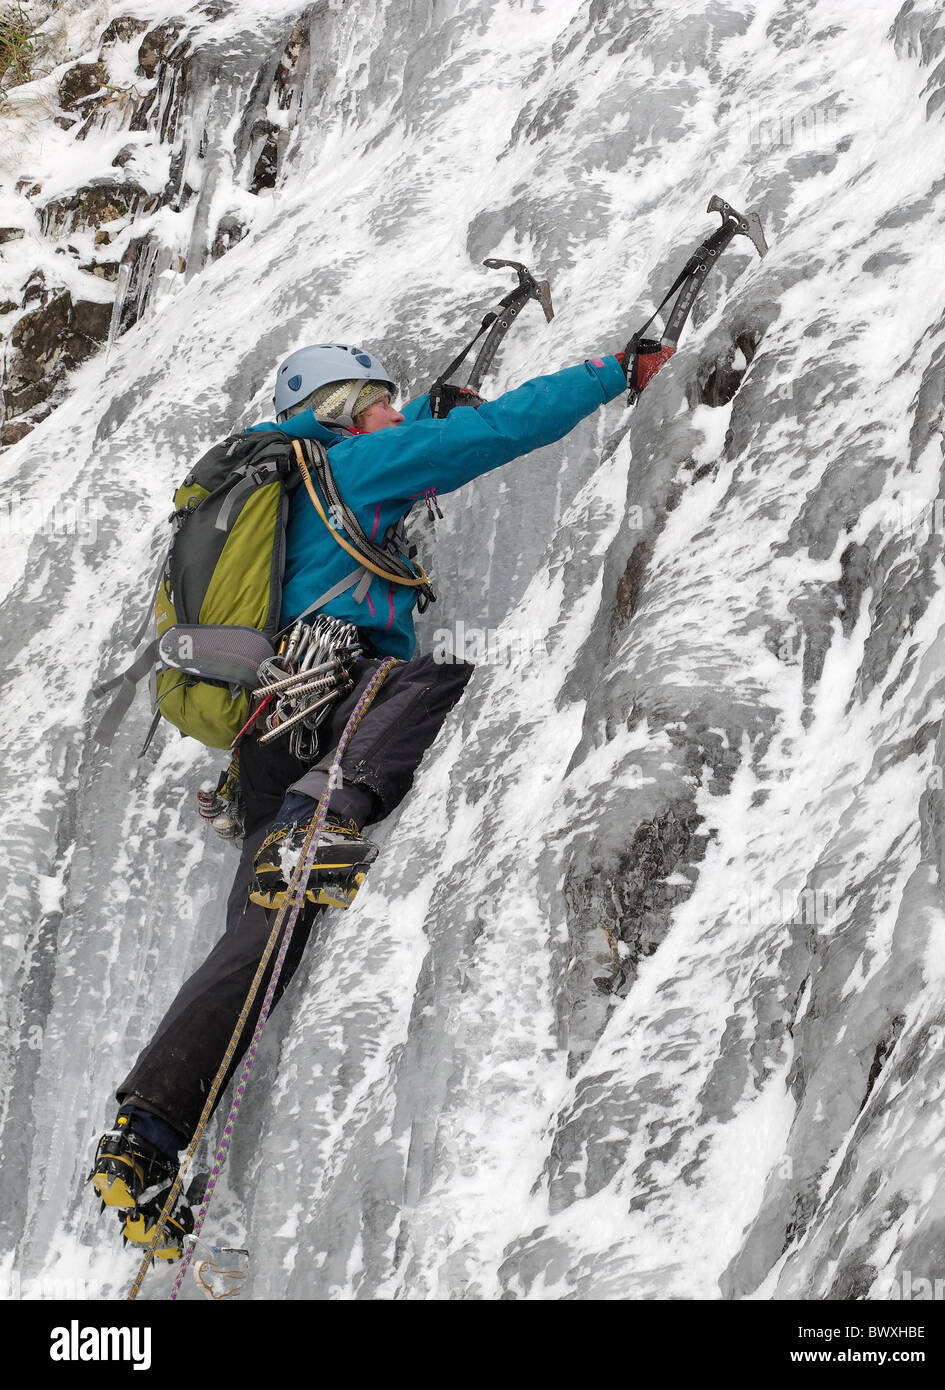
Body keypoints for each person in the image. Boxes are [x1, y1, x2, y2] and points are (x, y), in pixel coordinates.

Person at [89, 338, 674, 1256]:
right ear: (342, 406)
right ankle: (318, 821)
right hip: (337, 713)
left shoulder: (287, 484)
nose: (395, 417)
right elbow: (495, 433)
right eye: (383, 403)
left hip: (268, 737)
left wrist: (427, 423)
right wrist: (615, 373)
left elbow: (411, 466)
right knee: (447, 675)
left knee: (259, 941)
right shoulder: (350, 465)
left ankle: (147, 1133)